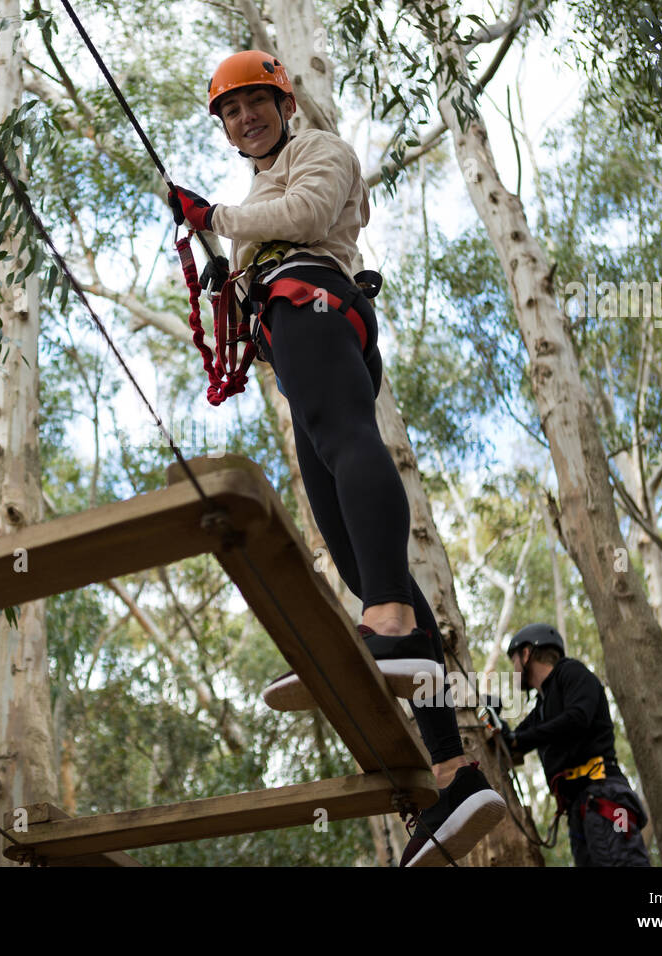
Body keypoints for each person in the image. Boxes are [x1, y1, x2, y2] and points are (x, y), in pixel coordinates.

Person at [167, 49, 504, 866]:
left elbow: (311, 214)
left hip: (314, 296)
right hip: (288, 324)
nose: (246, 119)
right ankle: (455, 771)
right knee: (352, 547)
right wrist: (224, 260)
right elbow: (255, 234)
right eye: (231, 111)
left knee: (353, 448)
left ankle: (385, 620)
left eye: (257, 104)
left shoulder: (322, 150)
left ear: (284, 104)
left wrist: (215, 218)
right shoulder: (254, 192)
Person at [504, 622, 651, 866]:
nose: (514, 670)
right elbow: (515, 742)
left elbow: (577, 718)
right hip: (579, 808)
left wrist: (522, 739)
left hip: (604, 793)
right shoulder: (541, 707)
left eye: (514, 662)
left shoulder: (571, 673)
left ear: (527, 653)